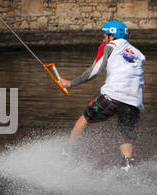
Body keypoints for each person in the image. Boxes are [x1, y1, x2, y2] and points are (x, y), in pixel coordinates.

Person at [61, 21, 146, 170]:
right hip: (134, 102)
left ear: (112, 36)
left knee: (84, 119)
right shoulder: (139, 54)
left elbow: (94, 72)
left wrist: (70, 83)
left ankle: (68, 154)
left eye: (104, 36)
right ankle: (127, 166)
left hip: (111, 97)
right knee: (125, 132)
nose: (102, 39)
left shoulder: (108, 46)